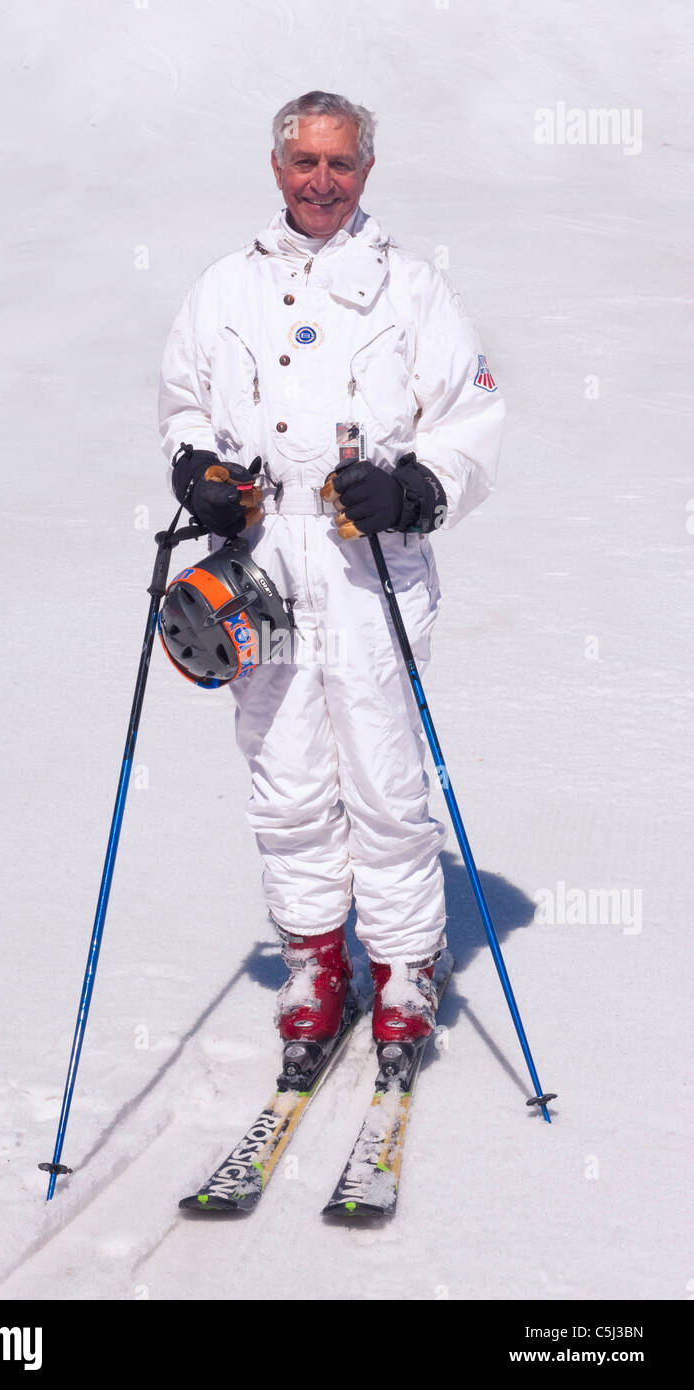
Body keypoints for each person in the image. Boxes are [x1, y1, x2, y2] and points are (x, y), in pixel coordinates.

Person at [158, 90, 505, 1049]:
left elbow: (469, 423)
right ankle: (314, 961)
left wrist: (415, 489)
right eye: (304, 162)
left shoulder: (414, 290)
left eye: (339, 163)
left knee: (384, 780)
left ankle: (403, 969)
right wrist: (199, 475)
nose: (321, 182)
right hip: (258, 565)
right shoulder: (223, 288)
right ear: (277, 167)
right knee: (286, 774)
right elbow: (184, 405)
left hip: (368, 566)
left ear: (366, 170)